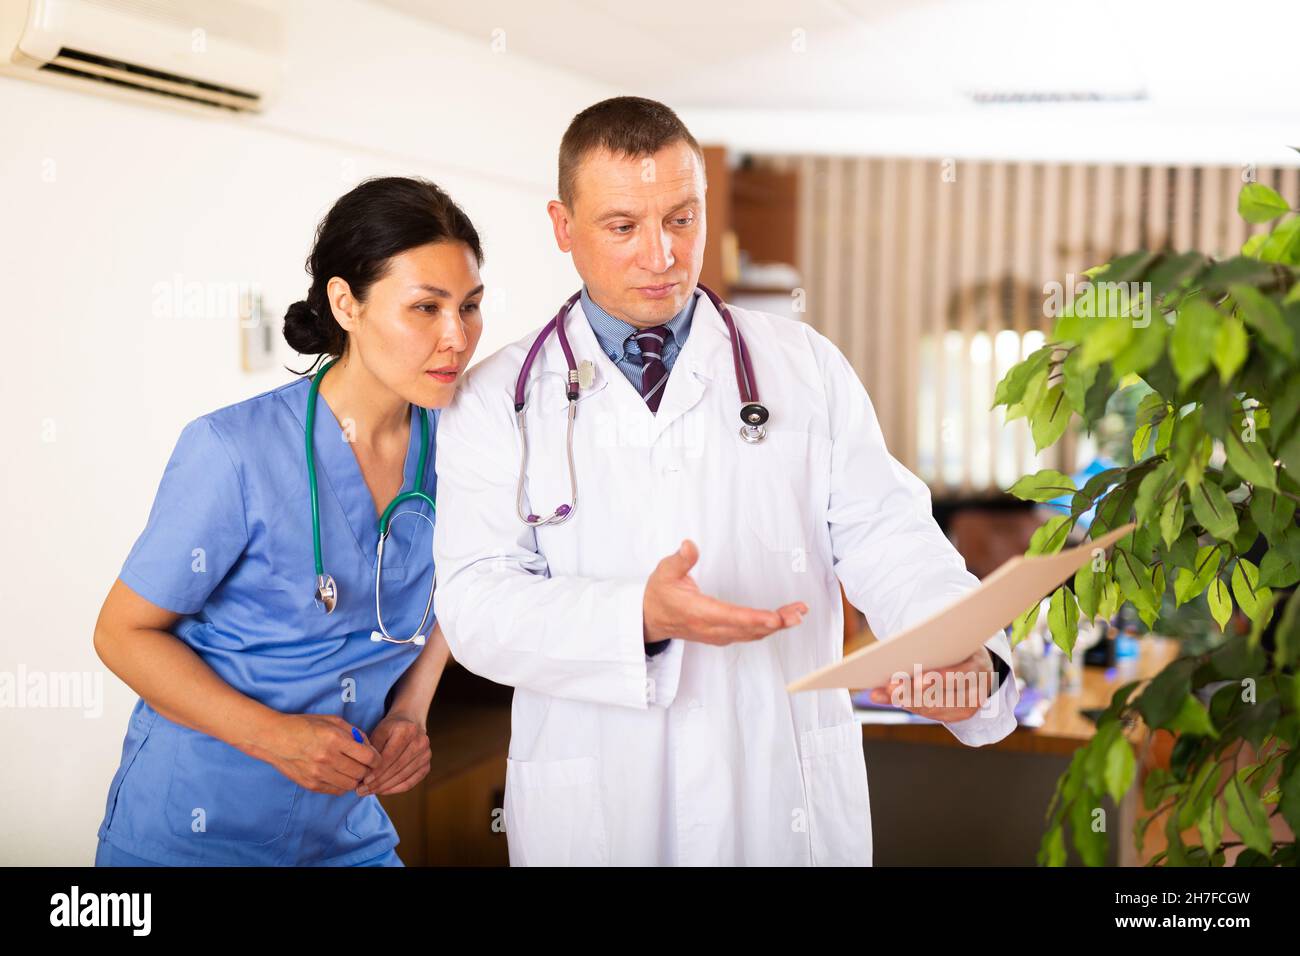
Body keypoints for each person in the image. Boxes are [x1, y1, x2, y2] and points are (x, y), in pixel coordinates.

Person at [431, 97, 1019, 866]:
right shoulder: (495, 399)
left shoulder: (803, 366)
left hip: (781, 793)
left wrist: (960, 651)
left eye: (682, 218)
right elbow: (476, 604)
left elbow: (891, 534)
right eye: (623, 226)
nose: (662, 254)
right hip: (602, 807)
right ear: (563, 226)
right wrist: (634, 615)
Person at [92, 176, 485, 865]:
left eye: (471, 306)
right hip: (194, 829)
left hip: (343, 828)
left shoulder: (461, 446)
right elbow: (121, 635)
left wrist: (410, 709)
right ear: (346, 303)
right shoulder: (232, 450)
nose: (456, 337)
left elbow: (463, 580)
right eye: (426, 307)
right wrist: (275, 737)